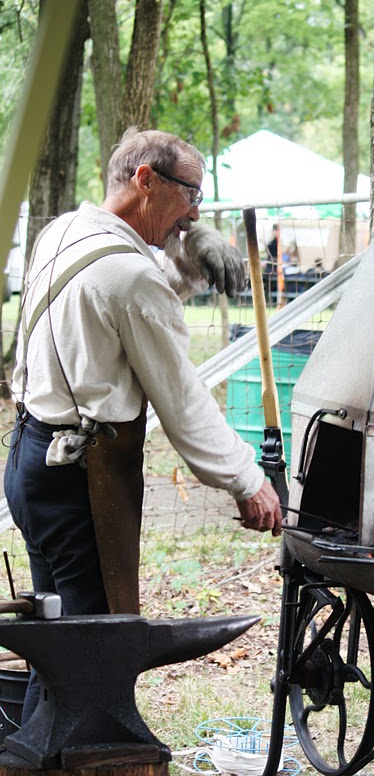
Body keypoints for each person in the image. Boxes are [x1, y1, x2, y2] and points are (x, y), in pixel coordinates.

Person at [4, 128, 282, 719]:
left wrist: (181, 262)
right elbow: (182, 400)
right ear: (145, 180)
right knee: (89, 651)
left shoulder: (61, 231)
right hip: (78, 482)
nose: (195, 212)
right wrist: (246, 479)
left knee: (58, 639)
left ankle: (33, 749)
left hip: (30, 460)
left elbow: (111, 309)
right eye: (190, 195)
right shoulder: (133, 279)